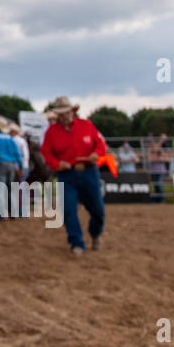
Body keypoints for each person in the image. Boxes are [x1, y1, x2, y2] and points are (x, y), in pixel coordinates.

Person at [40, 96, 107, 256]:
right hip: (66, 174)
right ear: (57, 115)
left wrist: (96, 153)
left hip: (89, 171)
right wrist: (57, 164)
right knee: (68, 210)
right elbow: (46, 153)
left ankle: (95, 234)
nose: (65, 115)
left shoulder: (86, 125)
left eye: (67, 112)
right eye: (61, 113)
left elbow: (100, 143)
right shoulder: (52, 132)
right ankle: (77, 242)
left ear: (72, 111)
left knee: (98, 210)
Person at [0, 121, 23, 219]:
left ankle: (2, 214)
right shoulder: (10, 138)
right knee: (10, 190)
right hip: (12, 165)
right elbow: (18, 155)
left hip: (1, 164)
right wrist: (20, 167)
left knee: (1, 189)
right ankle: (13, 213)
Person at [145, 134, 168, 203]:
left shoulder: (161, 152)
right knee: (156, 186)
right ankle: (157, 200)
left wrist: (158, 158)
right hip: (153, 171)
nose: (153, 146)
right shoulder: (150, 152)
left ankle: (162, 200)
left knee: (159, 185)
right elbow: (149, 159)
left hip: (161, 171)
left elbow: (167, 159)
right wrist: (158, 159)